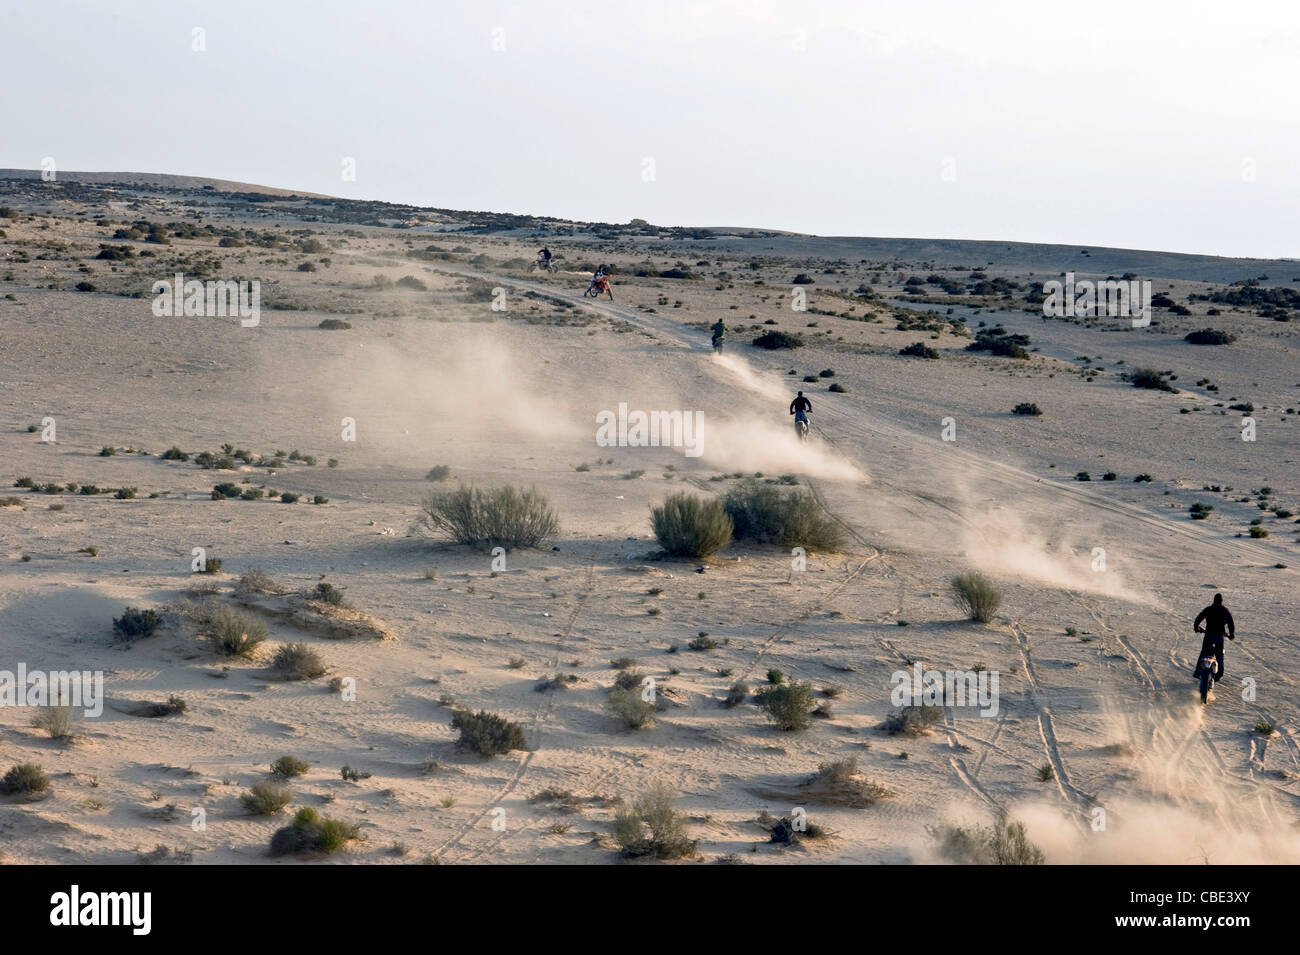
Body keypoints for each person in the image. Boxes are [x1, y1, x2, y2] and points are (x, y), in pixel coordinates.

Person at [1193, 593, 1235, 685]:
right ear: (1221, 601)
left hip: (1209, 635)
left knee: (1203, 653)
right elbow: (1231, 623)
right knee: (1219, 656)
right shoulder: (1225, 611)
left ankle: (1197, 672)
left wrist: (1196, 627)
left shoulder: (1209, 609)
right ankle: (1219, 674)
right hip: (1219, 637)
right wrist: (1231, 634)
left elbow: (1198, 618)